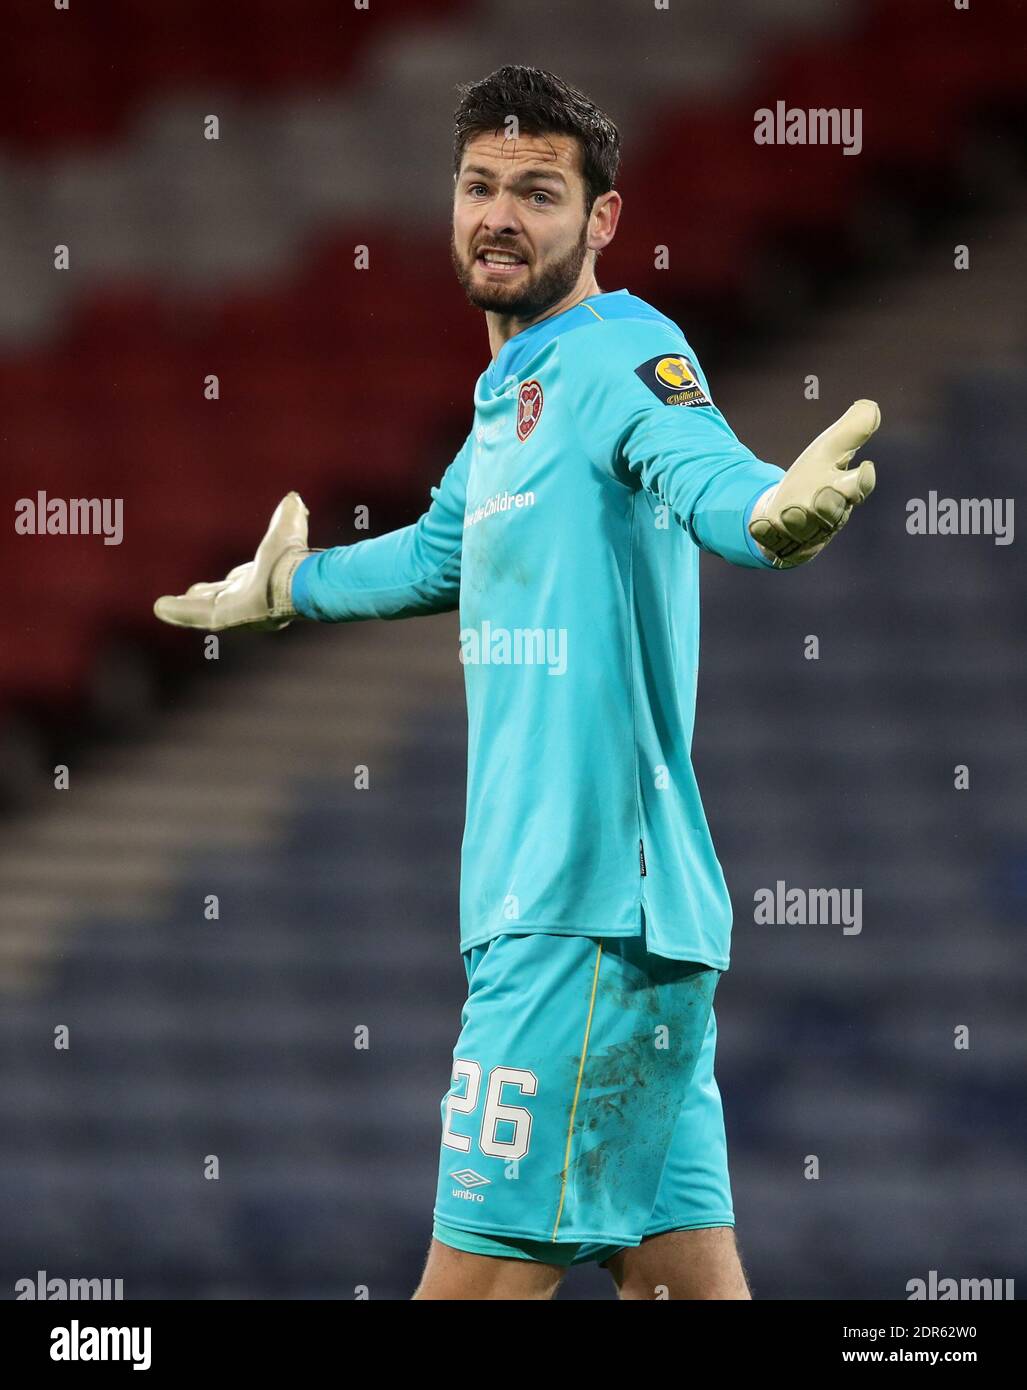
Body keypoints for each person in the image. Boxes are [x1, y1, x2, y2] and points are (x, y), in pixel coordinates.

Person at [154, 65, 878, 1300]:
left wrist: (766, 512)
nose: (500, 213)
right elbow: (444, 547)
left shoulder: (618, 348)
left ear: (600, 219)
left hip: (581, 916)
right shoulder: (511, 395)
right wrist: (288, 588)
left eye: (538, 192)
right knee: (681, 1286)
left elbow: (693, 458)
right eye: (481, 185)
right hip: (602, 926)